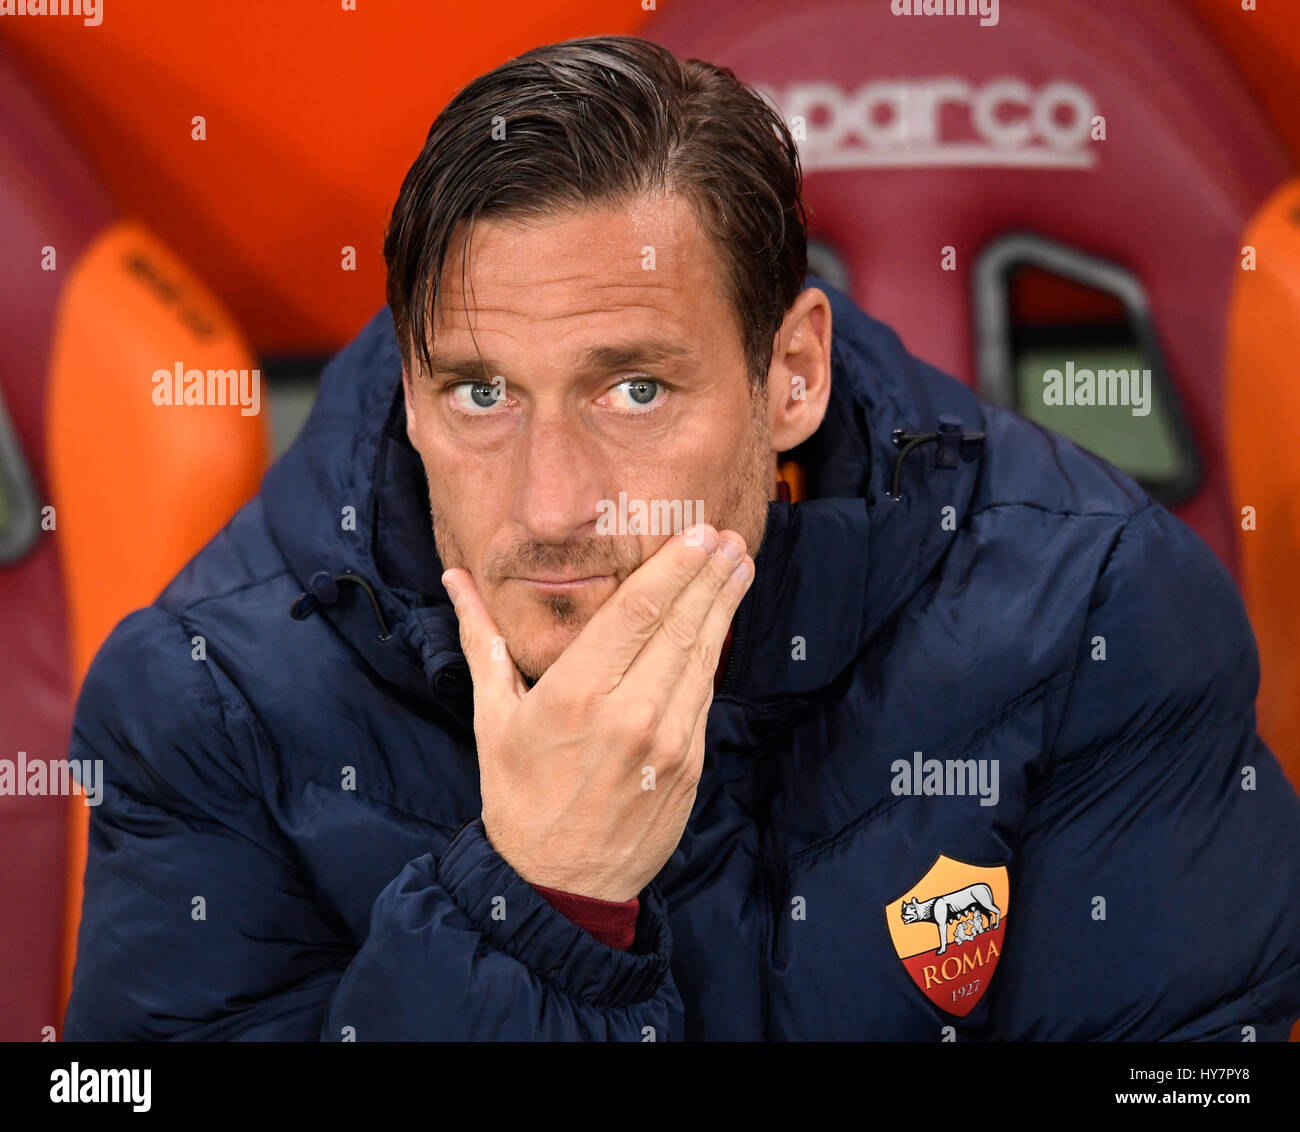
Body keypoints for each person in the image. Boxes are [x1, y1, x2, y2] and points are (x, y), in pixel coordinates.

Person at [64, 34, 1300, 1041]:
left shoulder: (1099, 613)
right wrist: (534, 904)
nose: (550, 509)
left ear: (792, 377)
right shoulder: (203, 704)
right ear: (408, 386)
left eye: (633, 390)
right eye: (481, 394)